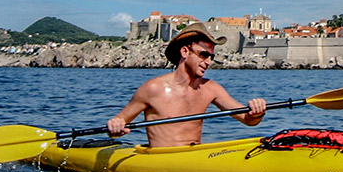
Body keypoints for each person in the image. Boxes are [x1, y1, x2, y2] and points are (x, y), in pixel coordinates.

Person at [106, 23, 267, 147]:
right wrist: (116, 126)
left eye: (211, 56)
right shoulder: (153, 89)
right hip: (162, 162)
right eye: (203, 55)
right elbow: (119, 122)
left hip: (194, 158)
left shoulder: (211, 89)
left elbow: (248, 120)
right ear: (185, 52)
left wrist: (257, 112)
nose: (209, 62)